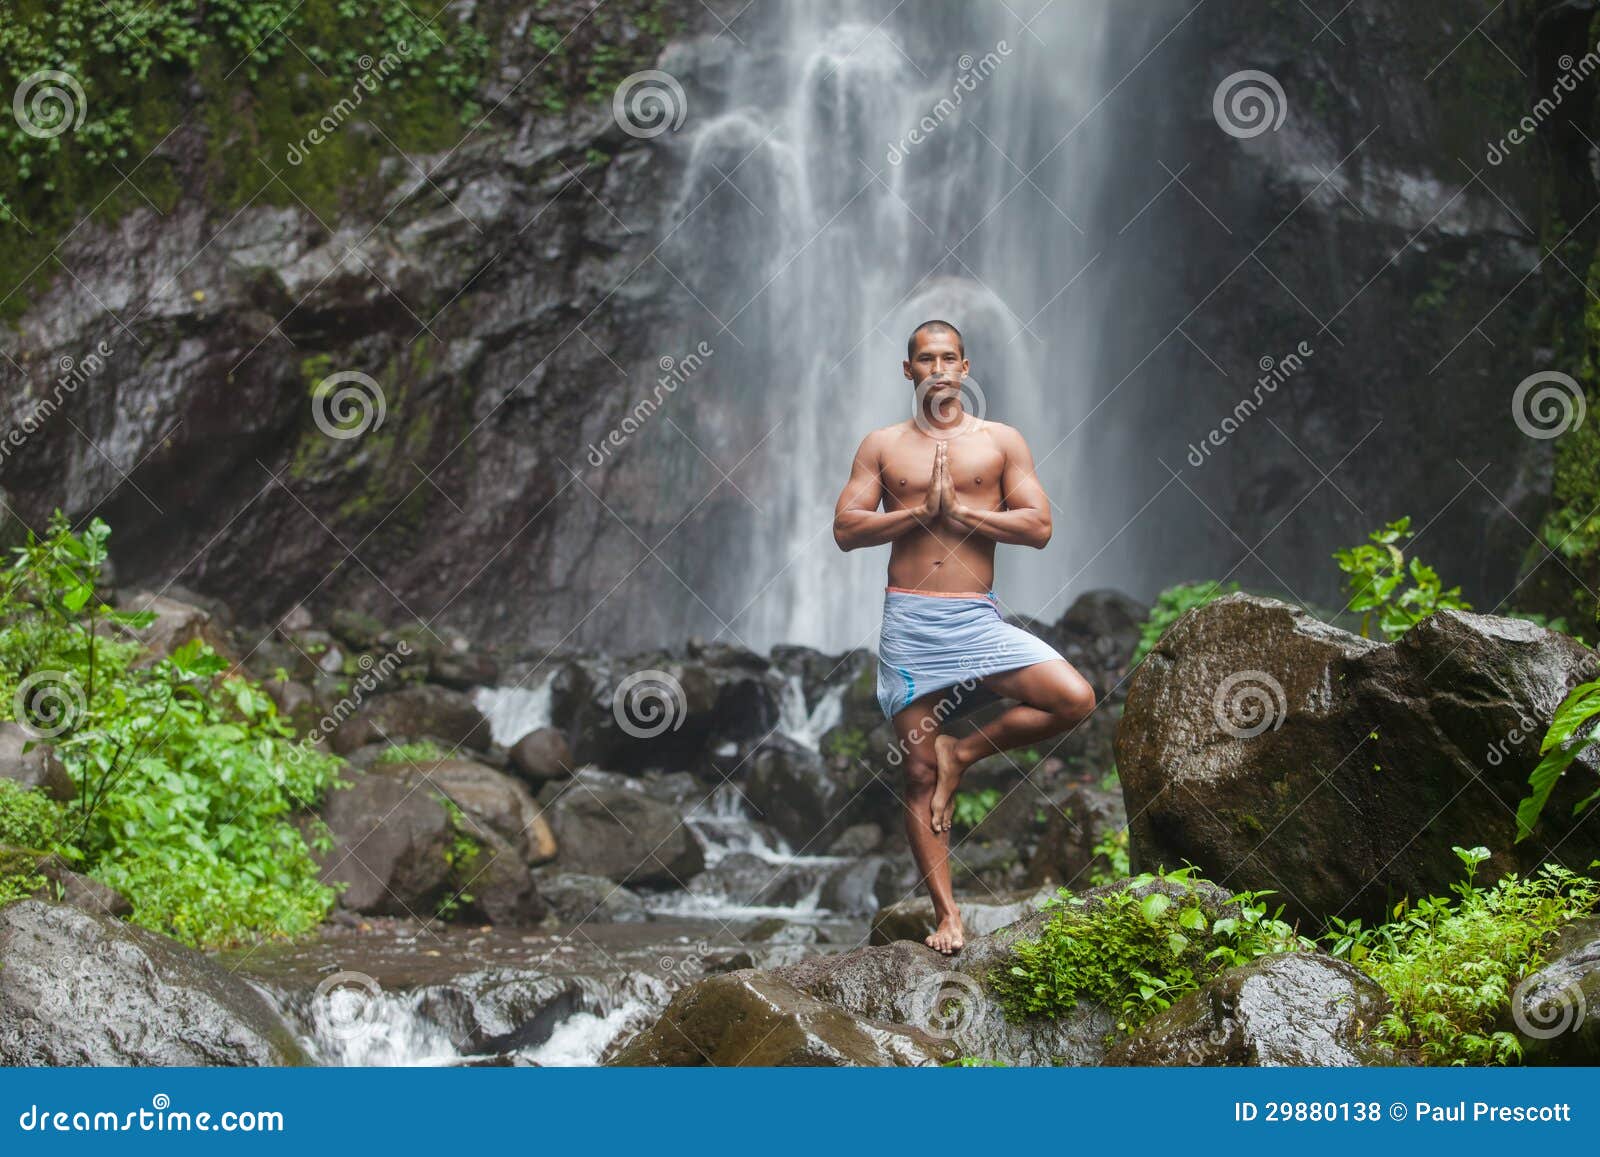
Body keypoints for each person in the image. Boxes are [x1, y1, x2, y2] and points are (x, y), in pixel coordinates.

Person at [831, 319, 1098, 954]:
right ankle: (948, 916)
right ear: (909, 371)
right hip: (910, 624)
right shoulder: (882, 445)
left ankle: (965, 752)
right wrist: (918, 514)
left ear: (966, 367)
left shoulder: (1001, 442)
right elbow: (844, 528)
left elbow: (1038, 527)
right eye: (926, 359)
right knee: (919, 774)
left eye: (949, 357)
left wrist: (965, 514)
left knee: (1074, 697)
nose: (939, 369)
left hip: (976, 619)